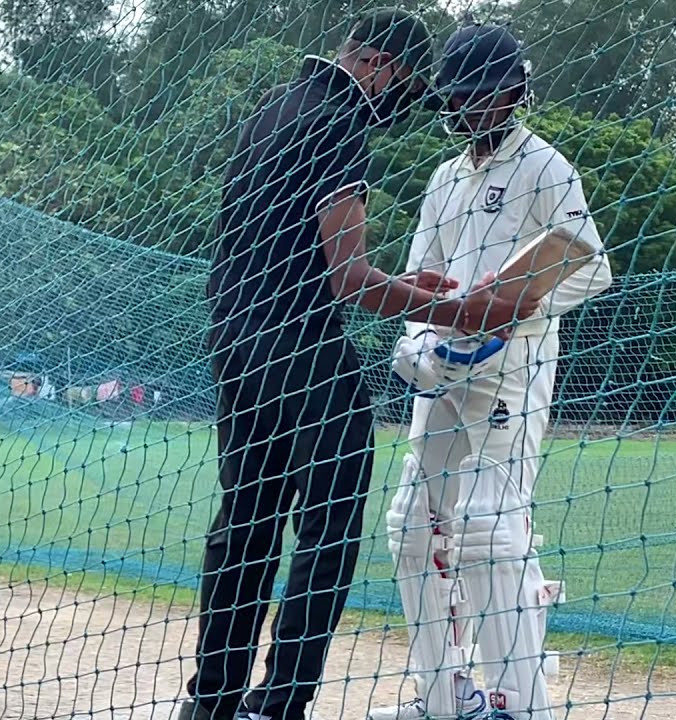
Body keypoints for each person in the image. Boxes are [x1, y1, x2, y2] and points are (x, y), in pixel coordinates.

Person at [177, 10, 540, 720]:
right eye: (404, 86)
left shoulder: (274, 109)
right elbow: (349, 277)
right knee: (331, 523)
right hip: (302, 340)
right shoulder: (339, 121)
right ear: (376, 65)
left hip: (234, 338)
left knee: (245, 522)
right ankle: (280, 702)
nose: (402, 106)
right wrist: (454, 310)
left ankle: (211, 703)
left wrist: (413, 292)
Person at [368, 23, 613, 720]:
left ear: (512, 90)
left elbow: (591, 266)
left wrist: (516, 307)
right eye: (461, 95)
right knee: (412, 525)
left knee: (486, 527)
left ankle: (517, 705)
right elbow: (422, 274)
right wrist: (417, 340)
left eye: (482, 93)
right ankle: (447, 701)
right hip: (446, 367)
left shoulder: (545, 166)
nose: (470, 108)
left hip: (513, 369)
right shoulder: (445, 178)